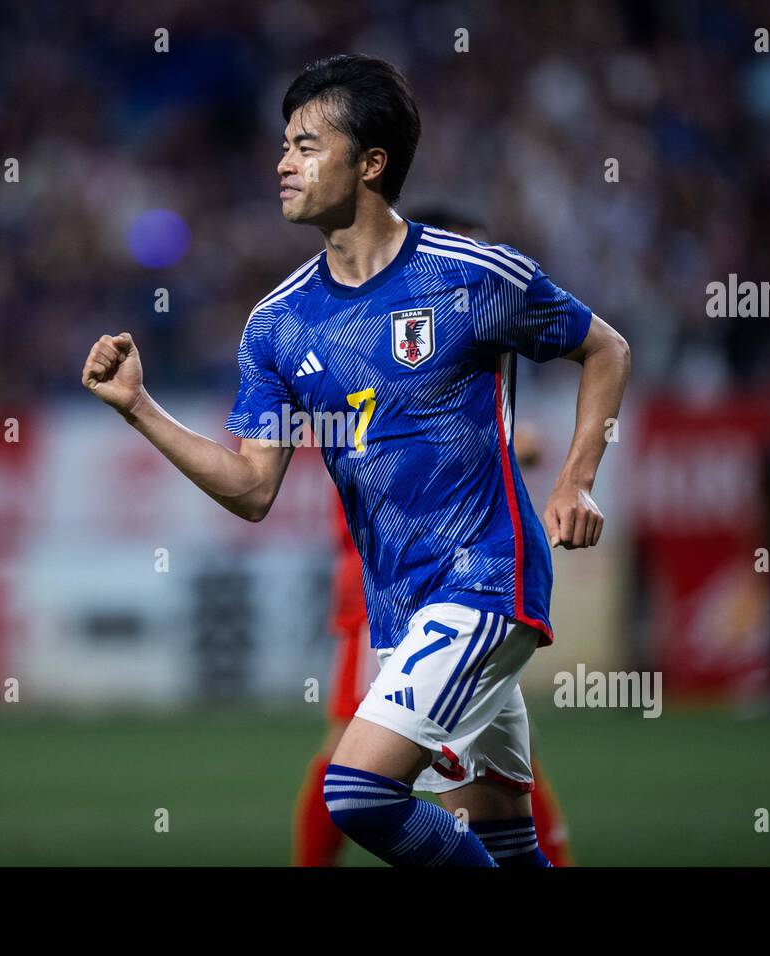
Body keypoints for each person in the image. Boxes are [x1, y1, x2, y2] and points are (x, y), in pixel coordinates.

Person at [82, 54, 629, 867]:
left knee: (359, 792)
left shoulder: (469, 277)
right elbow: (250, 487)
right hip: (401, 616)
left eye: (306, 145)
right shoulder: (276, 325)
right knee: (506, 836)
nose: (282, 162)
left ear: (371, 163)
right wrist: (139, 407)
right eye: (283, 144)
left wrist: (576, 477)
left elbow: (605, 347)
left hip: (486, 581)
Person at [292, 209, 575, 867]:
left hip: (459, 585)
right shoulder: (383, 342)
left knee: (473, 772)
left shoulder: (437, 349)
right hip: (391, 591)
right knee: (371, 763)